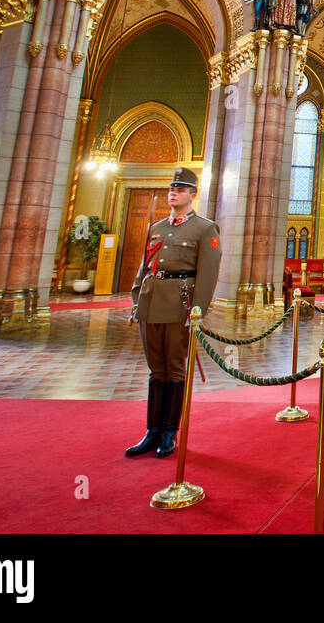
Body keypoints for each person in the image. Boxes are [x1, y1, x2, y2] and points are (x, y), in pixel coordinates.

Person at [126, 167, 222, 459]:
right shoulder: (157, 228)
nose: (173, 193)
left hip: (179, 305)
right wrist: (136, 301)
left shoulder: (205, 229)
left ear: (192, 195)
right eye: (171, 189)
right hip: (151, 304)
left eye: (179, 190)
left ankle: (170, 431)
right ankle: (151, 430)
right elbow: (146, 267)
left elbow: (208, 273)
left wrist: (198, 310)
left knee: (174, 369)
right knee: (157, 371)